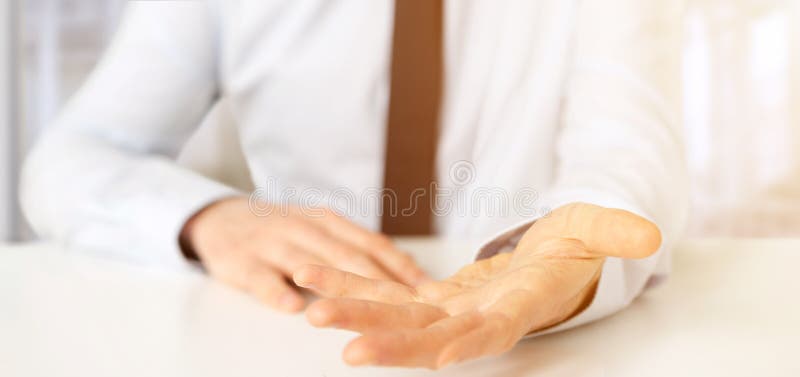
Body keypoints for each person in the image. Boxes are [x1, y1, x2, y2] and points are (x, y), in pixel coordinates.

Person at [20, 0, 687, 370]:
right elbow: (70, 159)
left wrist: (563, 261)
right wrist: (209, 217)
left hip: (529, 350)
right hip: (291, 336)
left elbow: (627, 155)